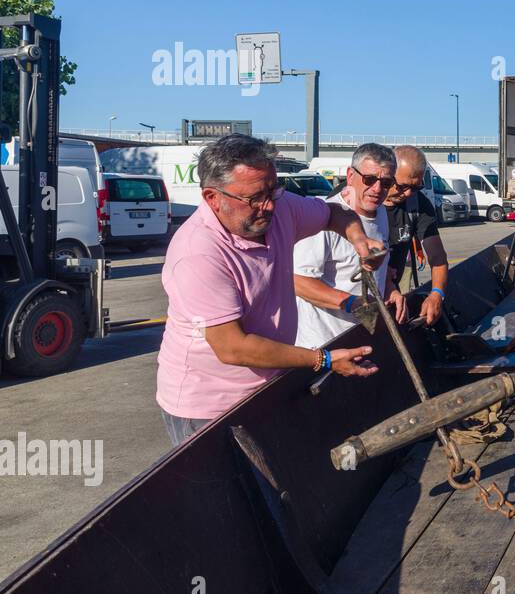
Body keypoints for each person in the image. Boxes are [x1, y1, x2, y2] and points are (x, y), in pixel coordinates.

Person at [156, 135, 385, 446]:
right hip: (208, 407)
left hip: (267, 385)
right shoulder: (198, 253)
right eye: (254, 198)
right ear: (212, 198)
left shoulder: (279, 208)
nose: (268, 206)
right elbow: (232, 347)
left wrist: (360, 241)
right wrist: (323, 359)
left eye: (272, 191)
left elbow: (336, 213)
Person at [293, 144, 402, 348]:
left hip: (360, 339)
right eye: (369, 179)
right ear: (351, 175)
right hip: (323, 344)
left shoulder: (380, 213)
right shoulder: (324, 219)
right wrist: (352, 303)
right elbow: (298, 281)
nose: (377, 189)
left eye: (386, 183)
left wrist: (390, 289)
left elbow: (377, 270)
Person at [385, 145, 451, 326]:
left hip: (392, 292)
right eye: (402, 186)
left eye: (415, 187)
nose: (408, 193)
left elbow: (437, 257)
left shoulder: (418, 204)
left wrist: (437, 293)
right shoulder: (362, 200)